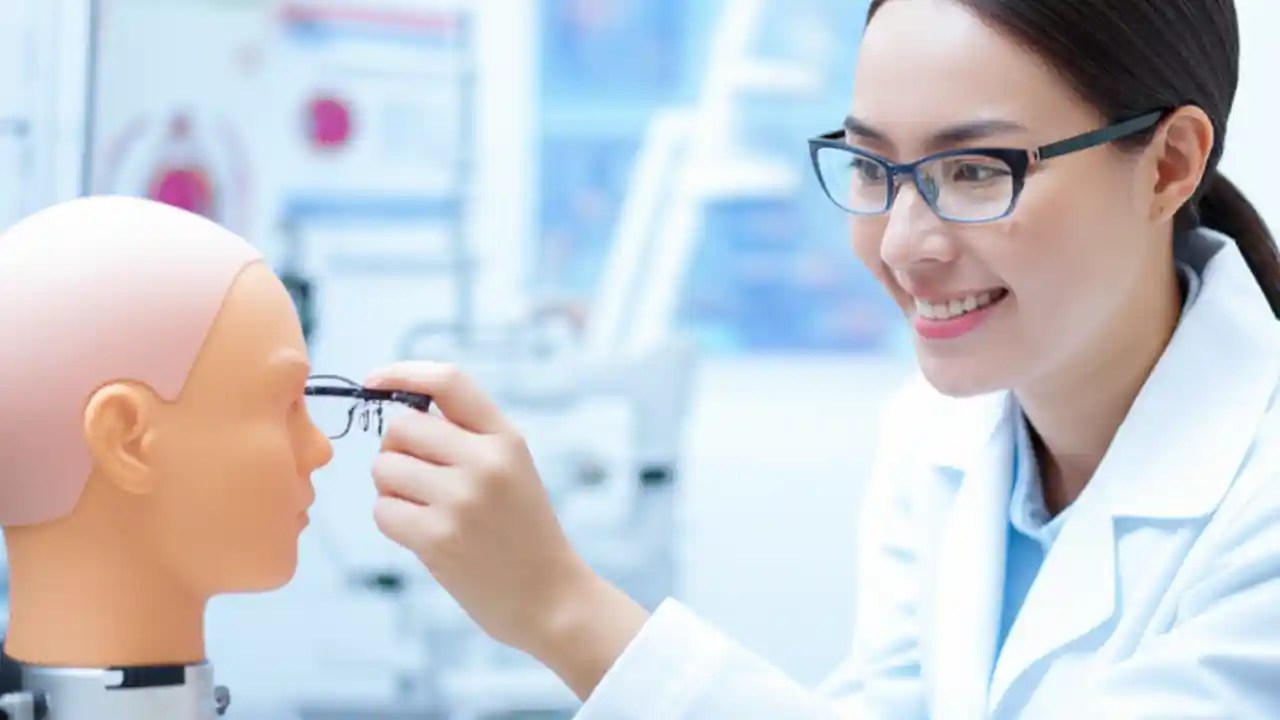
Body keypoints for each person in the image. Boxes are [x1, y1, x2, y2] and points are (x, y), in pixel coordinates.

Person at [360, 0, 1280, 717]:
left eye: (975, 170)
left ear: (1167, 165)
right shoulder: (940, 432)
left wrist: (560, 608)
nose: (903, 244)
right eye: (873, 167)